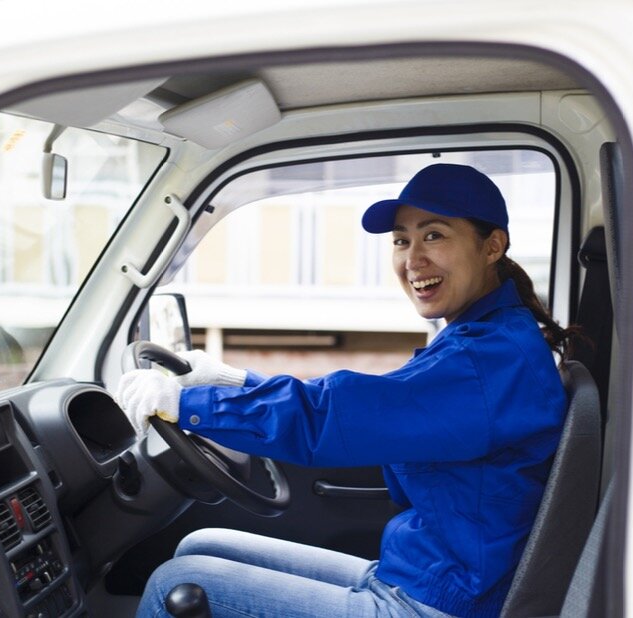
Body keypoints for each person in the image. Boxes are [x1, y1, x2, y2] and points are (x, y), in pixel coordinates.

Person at [117, 163, 581, 618]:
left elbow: (330, 414)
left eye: (434, 235)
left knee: (175, 584)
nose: (413, 259)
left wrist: (186, 403)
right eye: (401, 240)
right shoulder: (486, 339)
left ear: (492, 246)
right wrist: (235, 382)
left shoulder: (484, 359)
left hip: (440, 602)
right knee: (201, 545)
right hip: (424, 573)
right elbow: (369, 404)